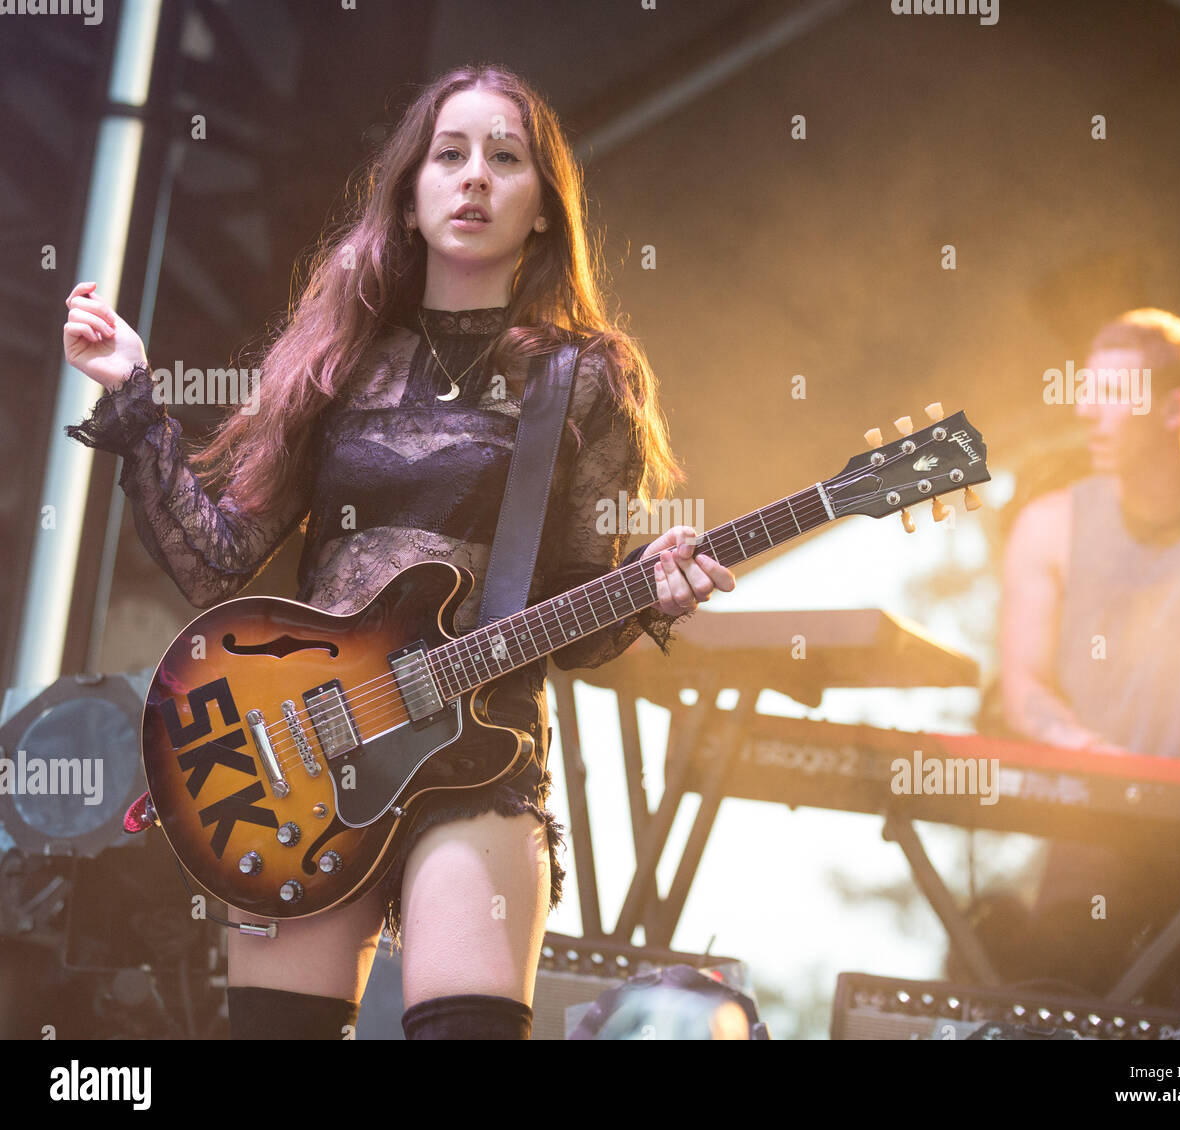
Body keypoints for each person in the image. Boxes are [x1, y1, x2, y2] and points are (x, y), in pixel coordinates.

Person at [61, 63, 736, 1041]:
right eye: (448, 155)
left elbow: (583, 622)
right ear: (409, 197)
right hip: (297, 757)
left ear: (543, 208)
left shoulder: (581, 377)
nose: (473, 178)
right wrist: (135, 393)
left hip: (477, 754)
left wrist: (650, 594)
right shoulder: (338, 359)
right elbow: (214, 561)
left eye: (505, 159)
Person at [998, 308, 1180, 1022]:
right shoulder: (1050, 524)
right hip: (1092, 853)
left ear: (1176, 409)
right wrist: (1095, 756)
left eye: (1112, 395)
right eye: (1085, 391)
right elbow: (1024, 686)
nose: (1086, 412)